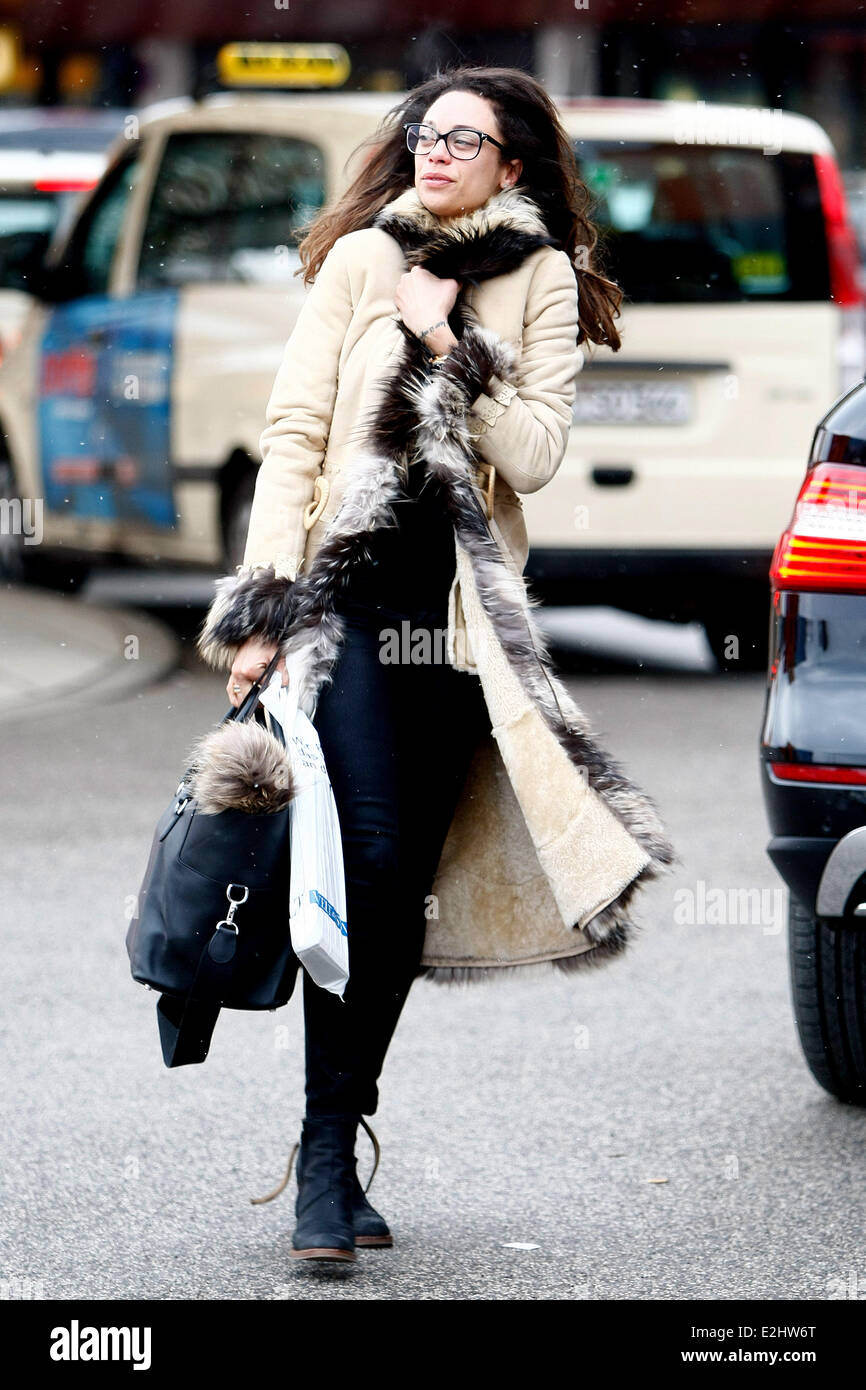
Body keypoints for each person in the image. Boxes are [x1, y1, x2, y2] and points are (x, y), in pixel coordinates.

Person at [196, 64, 675, 1266]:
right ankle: (317, 1162)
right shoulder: (357, 259)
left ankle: (342, 1120)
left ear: (512, 167)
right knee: (357, 867)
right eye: (425, 131)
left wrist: (445, 335)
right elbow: (295, 434)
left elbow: (538, 451)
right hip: (344, 610)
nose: (435, 150)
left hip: (454, 624)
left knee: (403, 874)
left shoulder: (541, 280)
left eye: (464, 138)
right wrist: (259, 607)